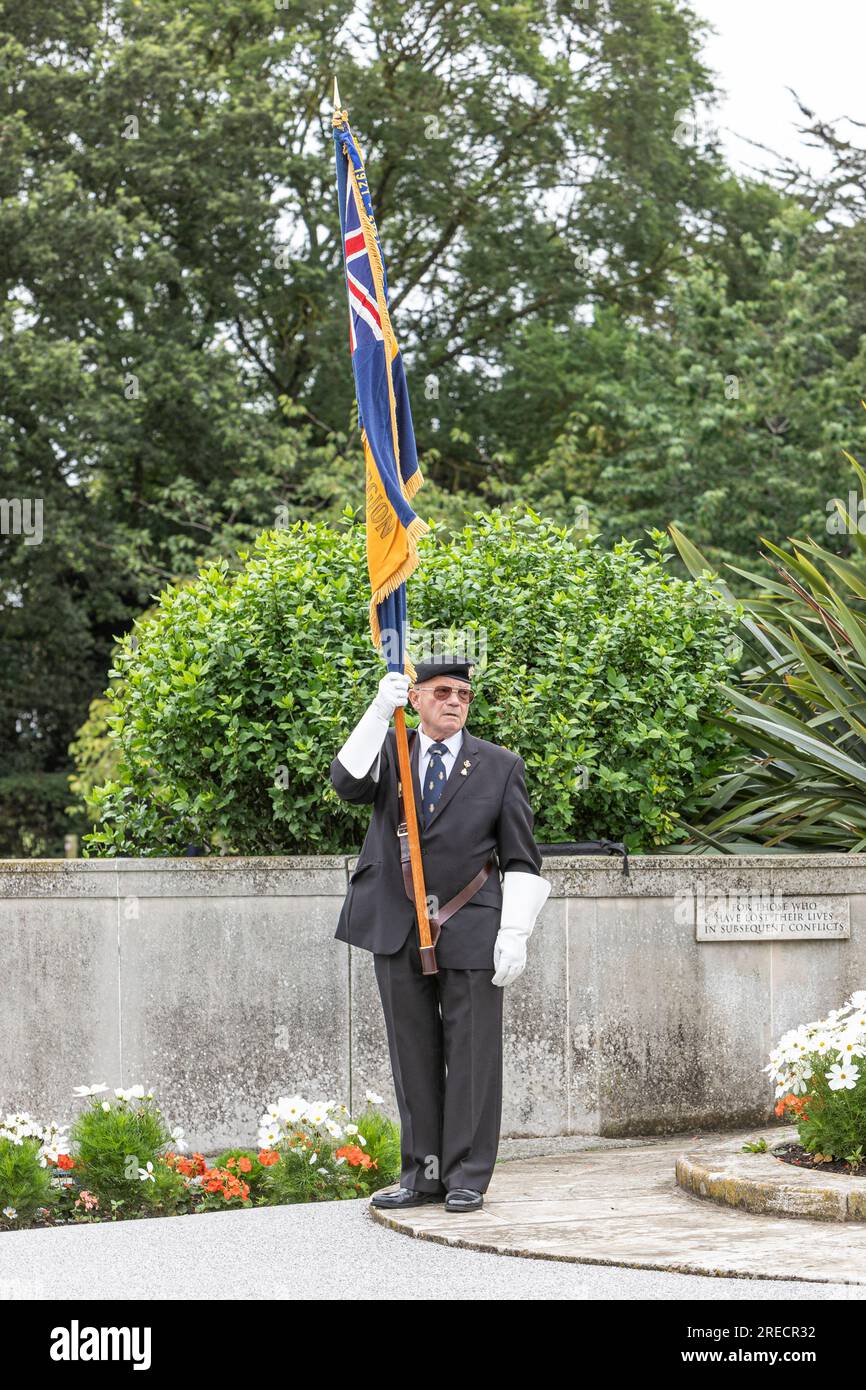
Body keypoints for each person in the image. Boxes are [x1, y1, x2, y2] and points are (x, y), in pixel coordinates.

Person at [330, 653, 550, 1212]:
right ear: (418, 697)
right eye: (443, 692)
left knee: (473, 1053)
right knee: (412, 1053)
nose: (455, 701)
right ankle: (421, 1174)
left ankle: (466, 1176)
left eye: (464, 695)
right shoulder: (390, 749)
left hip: (471, 924)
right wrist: (381, 708)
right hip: (397, 925)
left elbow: (522, 857)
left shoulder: (499, 766)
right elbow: (345, 783)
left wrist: (516, 931)